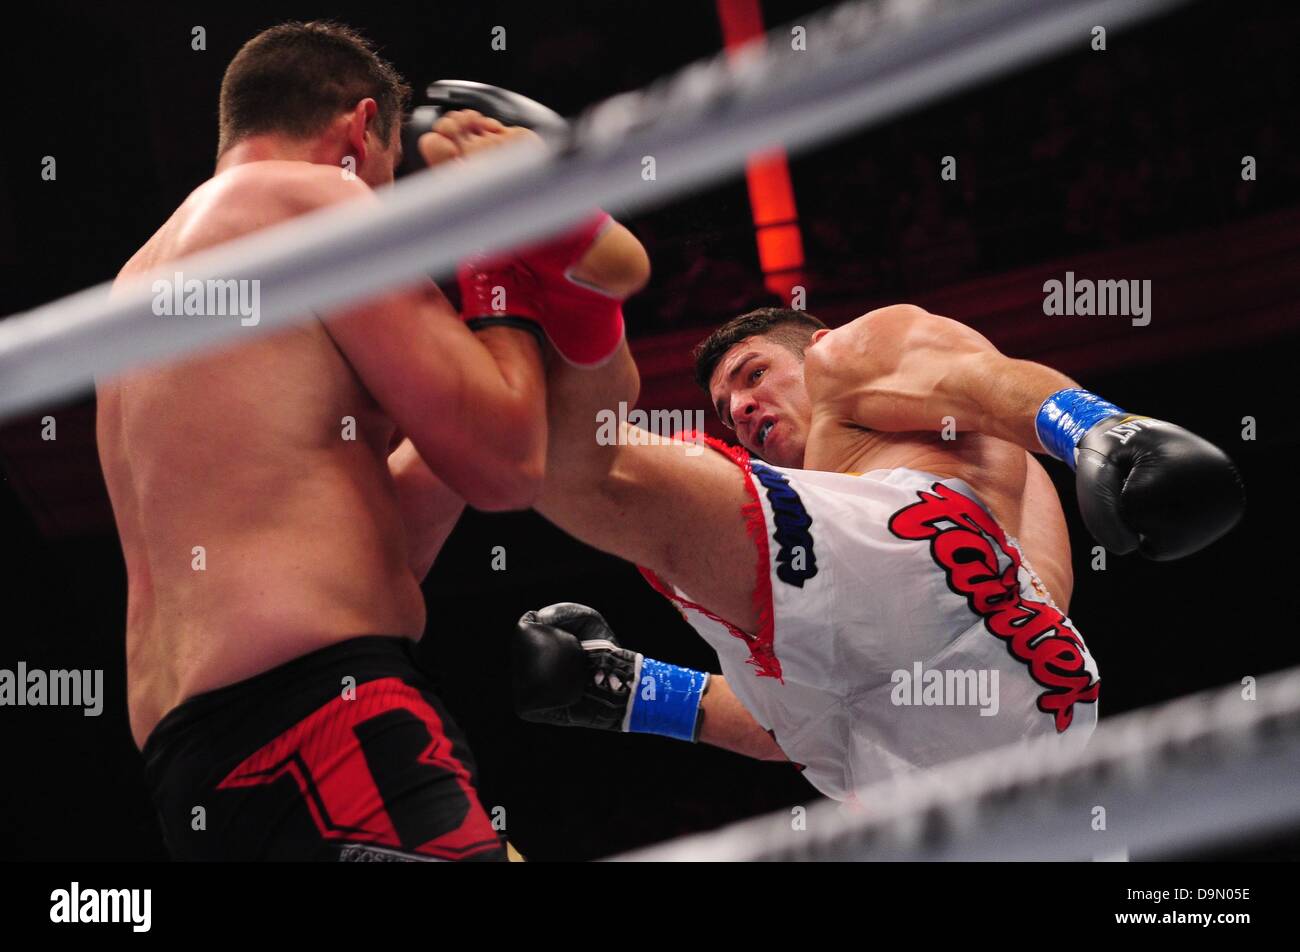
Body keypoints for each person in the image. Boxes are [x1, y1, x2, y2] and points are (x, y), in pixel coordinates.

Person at [97, 22, 642, 860]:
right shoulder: (311, 200)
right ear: (359, 132)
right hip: (323, 723)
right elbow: (505, 468)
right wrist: (498, 256)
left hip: (202, 773)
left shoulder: (138, 289)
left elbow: (378, 538)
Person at [514, 297, 1243, 801]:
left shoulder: (851, 364)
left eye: (755, 374)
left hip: (936, 573)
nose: (738, 407)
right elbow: (810, 714)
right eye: (725, 405)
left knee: (588, 463)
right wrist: (628, 692)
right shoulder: (812, 552)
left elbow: (967, 374)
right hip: (952, 742)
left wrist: (1098, 430)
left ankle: (508, 305)